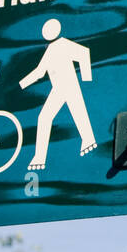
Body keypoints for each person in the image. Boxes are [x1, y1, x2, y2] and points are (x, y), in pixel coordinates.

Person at [19, 18, 95, 170]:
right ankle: (40, 157)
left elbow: (83, 52)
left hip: (69, 83)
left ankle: (88, 139)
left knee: (76, 111)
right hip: (59, 87)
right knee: (48, 117)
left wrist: (86, 79)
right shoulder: (50, 50)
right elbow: (40, 72)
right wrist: (22, 84)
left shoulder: (62, 44)